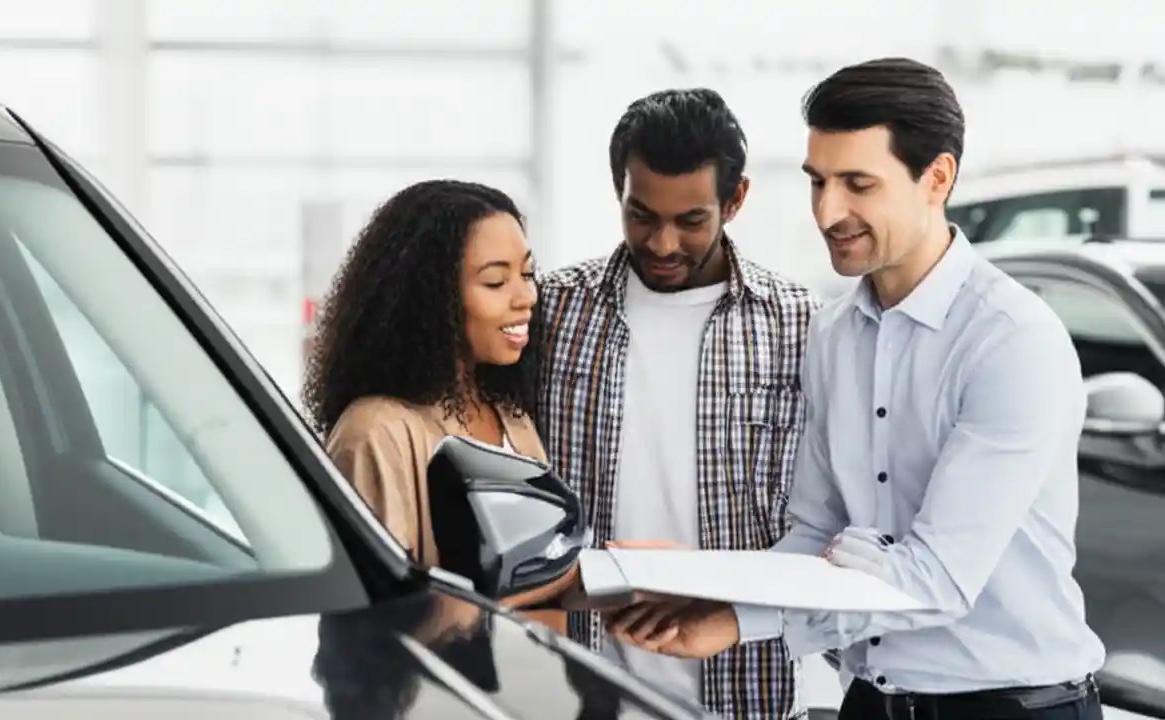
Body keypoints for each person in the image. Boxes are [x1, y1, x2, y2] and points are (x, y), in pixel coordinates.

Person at [604, 58, 1107, 720]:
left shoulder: (1010, 340)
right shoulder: (835, 331)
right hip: (869, 703)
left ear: (938, 178)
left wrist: (753, 601)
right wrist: (719, 600)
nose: (827, 211)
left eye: (857, 184)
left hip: (1010, 708)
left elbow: (936, 580)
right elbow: (817, 532)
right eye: (818, 182)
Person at [534, 88, 819, 719]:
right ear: (620, 193)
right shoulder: (554, 313)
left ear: (735, 200)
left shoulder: (799, 326)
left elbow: (825, 524)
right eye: (641, 216)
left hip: (746, 693)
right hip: (584, 688)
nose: (662, 244)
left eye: (690, 221)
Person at [305, 178, 570, 629]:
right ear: (430, 299)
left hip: (536, 693)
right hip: (447, 697)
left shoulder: (512, 416)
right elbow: (383, 621)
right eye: (495, 280)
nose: (526, 297)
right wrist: (571, 578)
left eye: (526, 274)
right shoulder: (375, 433)